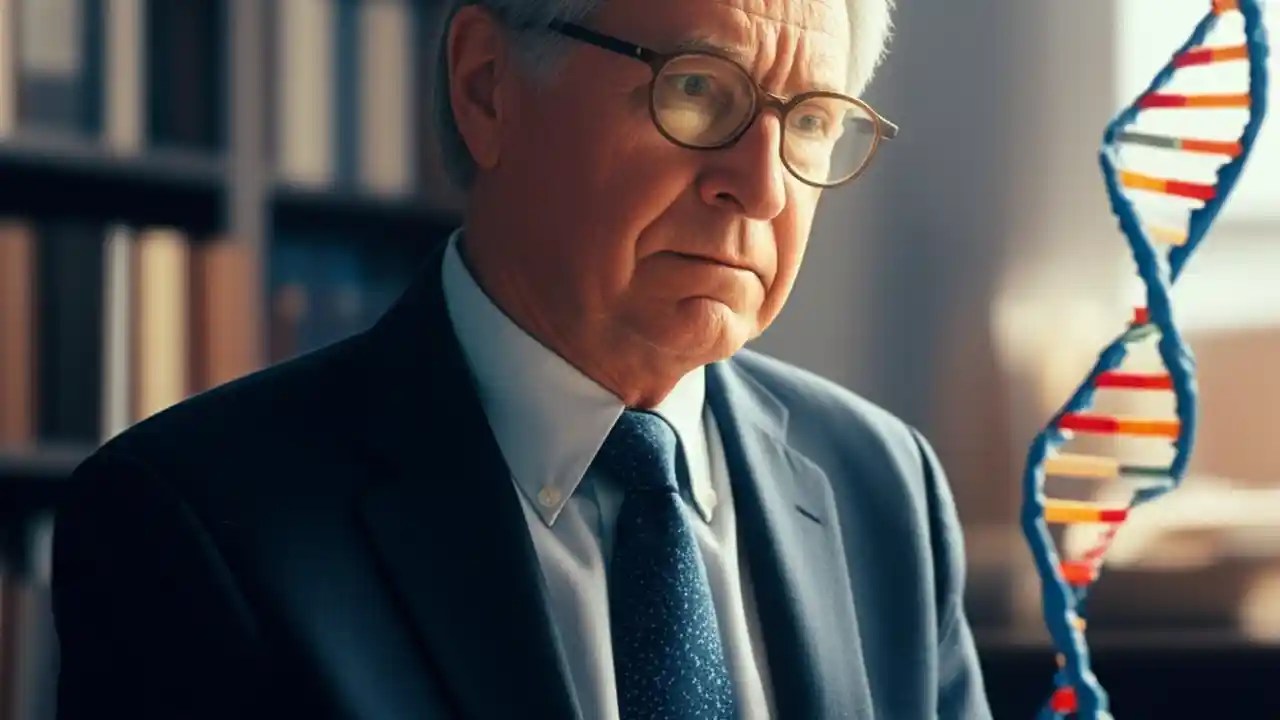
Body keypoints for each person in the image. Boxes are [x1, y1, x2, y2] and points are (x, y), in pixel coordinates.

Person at [51, 0, 993, 717]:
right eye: (699, 89)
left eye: (810, 122)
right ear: (486, 88)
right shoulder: (192, 520)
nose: (758, 187)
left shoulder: (886, 484)